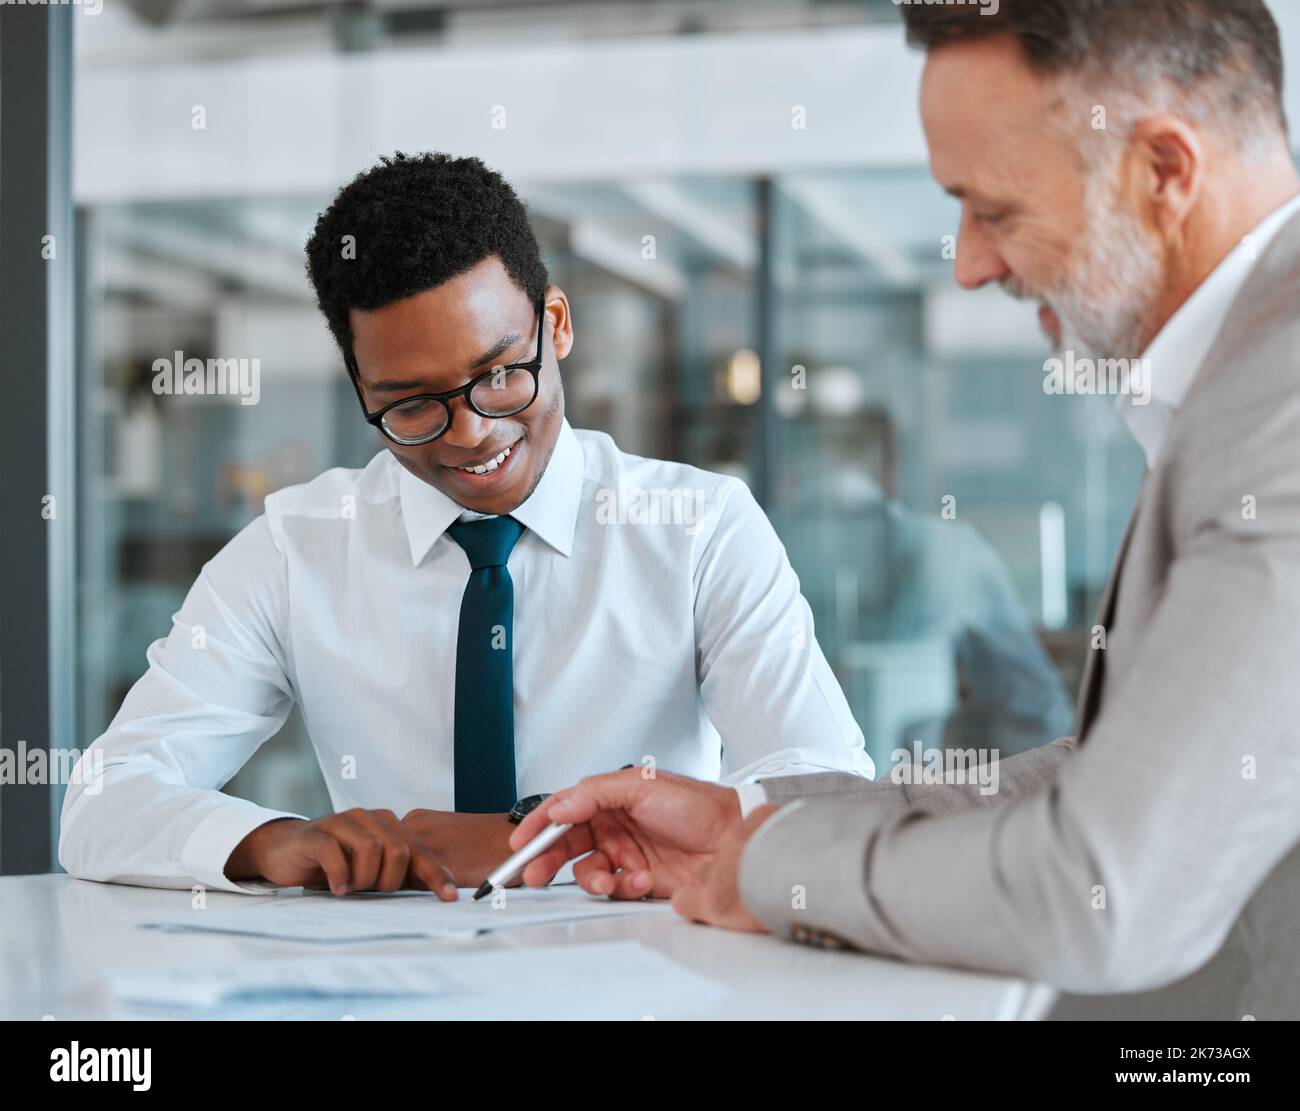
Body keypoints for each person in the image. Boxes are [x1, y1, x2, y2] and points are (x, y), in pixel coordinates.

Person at [514, 0, 1300, 1017]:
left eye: (994, 210)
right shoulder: (1238, 380)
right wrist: (754, 828)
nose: (968, 264)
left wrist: (778, 867)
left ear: (1163, 169)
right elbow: (1125, 778)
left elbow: (1106, 883)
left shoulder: (1279, 403)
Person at [59, 152, 873, 898]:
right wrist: (270, 841)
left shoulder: (699, 530)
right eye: (413, 403)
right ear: (362, 389)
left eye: (500, 373)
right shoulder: (293, 550)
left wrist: (553, 833)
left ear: (557, 324)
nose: (472, 433)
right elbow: (102, 802)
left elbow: (831, 791)